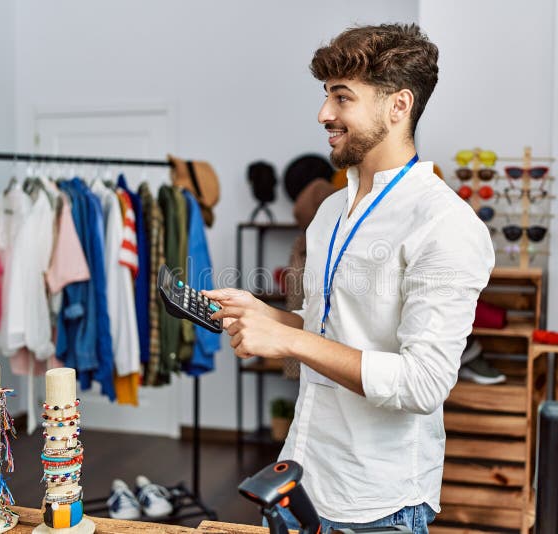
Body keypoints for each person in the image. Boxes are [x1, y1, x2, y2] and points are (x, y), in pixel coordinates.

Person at [203, 23, 494, 534]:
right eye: (325, 96)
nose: (324, 114)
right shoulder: (333, 209)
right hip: (305, 474)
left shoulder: (445, 224)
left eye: (343, 97)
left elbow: (423, 383)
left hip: (379, 504)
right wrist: (262, 315)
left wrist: (288, 338)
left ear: (398, 105)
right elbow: (329, 328)